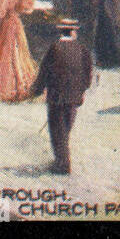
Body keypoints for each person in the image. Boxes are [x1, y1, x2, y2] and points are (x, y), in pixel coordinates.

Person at [28, 18, 92, 175]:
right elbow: (88, 72)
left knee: (57, 130)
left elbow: (44, 71)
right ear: (72, 32)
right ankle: (62, 159)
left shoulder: (54, 48)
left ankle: (62, 164)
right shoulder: (82, 49)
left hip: (56, 96)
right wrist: (82, 89)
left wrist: (36, 90)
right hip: (74, 97)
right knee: (66, 127)